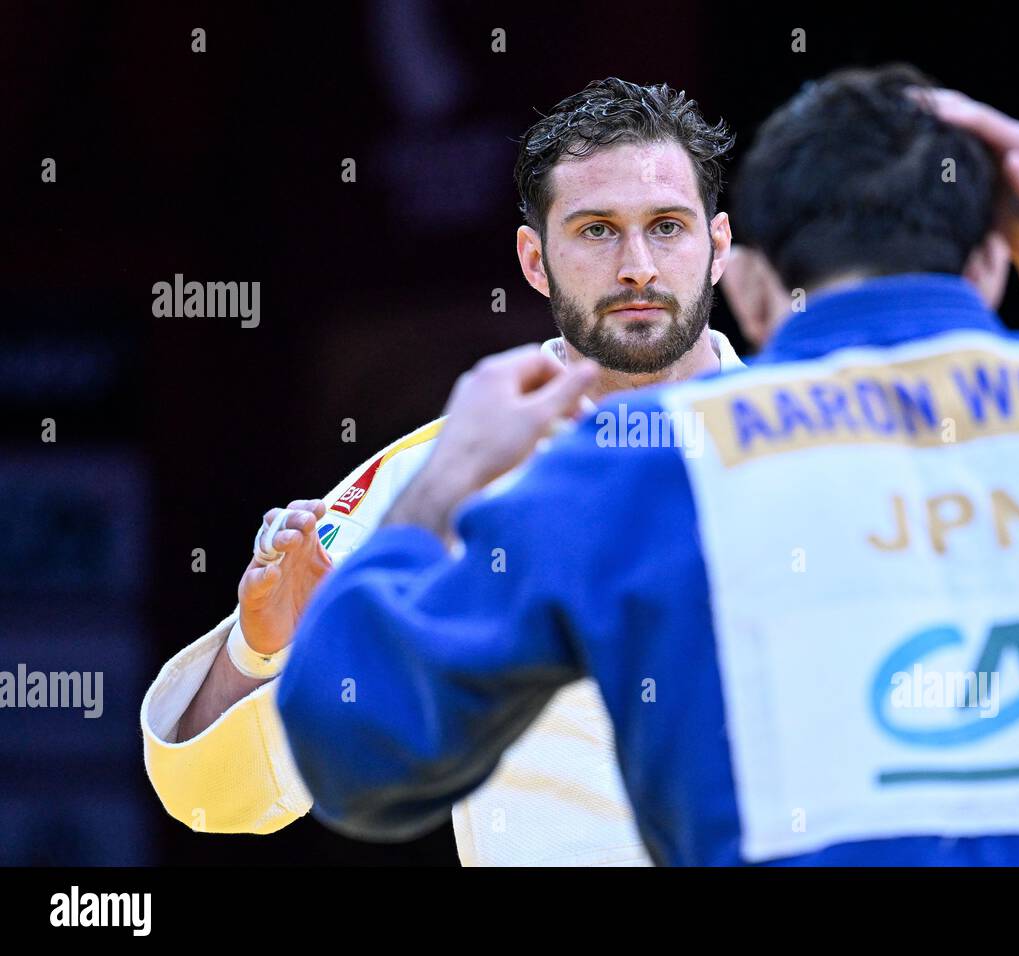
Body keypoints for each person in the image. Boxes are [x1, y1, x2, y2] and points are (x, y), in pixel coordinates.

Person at [276, 64, 1019, 865]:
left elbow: (359, 742)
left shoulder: (648, 470)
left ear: (747, 277)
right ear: (996, 259)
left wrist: (446, 479)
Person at [139, 78, 744, 866]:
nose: (637, 266)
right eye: (596, 231)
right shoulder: (438, 473)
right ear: (534, 259)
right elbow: (213, 798)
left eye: (666, 227)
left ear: (720, 245)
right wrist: (261, 654)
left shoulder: (819, 452)